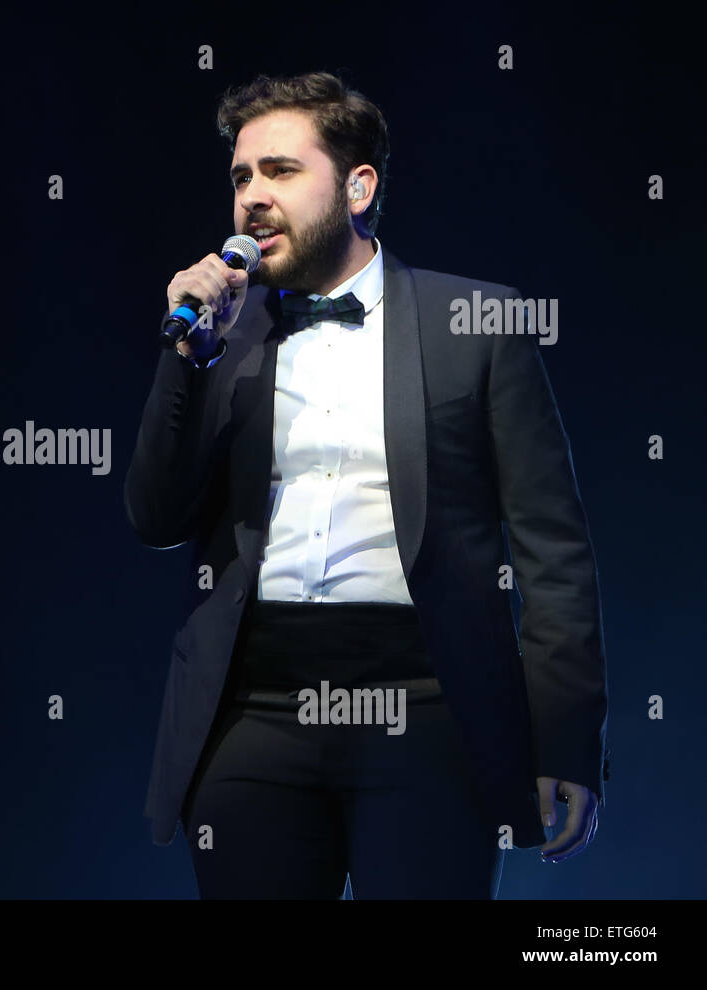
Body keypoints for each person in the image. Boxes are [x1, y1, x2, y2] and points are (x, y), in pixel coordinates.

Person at [125, 71, 609, 898]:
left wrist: (564, 741)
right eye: (241, 177)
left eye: (280, 171)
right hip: (252, 715)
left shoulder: (475, 328)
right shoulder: (224, 342)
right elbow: (155, 517)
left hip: (427, 709)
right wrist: (186, 365)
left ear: (359, 185)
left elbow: (553, 556)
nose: (252, 197)